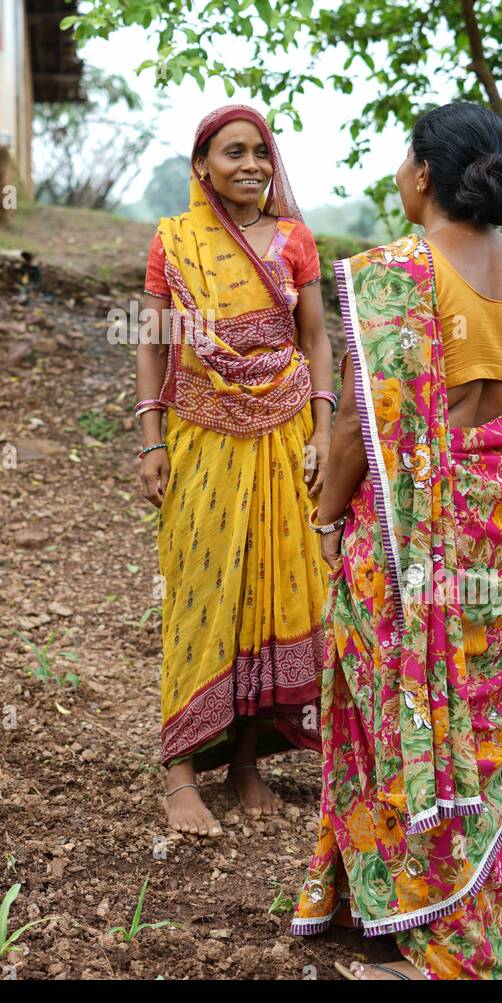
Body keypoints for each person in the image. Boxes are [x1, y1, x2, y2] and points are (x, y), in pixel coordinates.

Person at [293, 100, 502, 980]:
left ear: (421, 173)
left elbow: (351, 432)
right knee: (491, 735)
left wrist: (327, 518)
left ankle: (418, 927)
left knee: (396, 715)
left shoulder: (390, 278)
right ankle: (476, 923)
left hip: (409, 545)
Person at [136, 103, 335, 836]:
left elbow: (316, 339)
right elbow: (152, 343)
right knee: (199, 591)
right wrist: (150, 441)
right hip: (201, 435)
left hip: (284, 435)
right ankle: (180, 770)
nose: (250, 164)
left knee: (271, 589)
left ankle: (246, 762)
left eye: (260, 151)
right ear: (202, 166)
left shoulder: (294, 240)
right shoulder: (174, 240)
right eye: (232, 152)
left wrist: (323, 433)